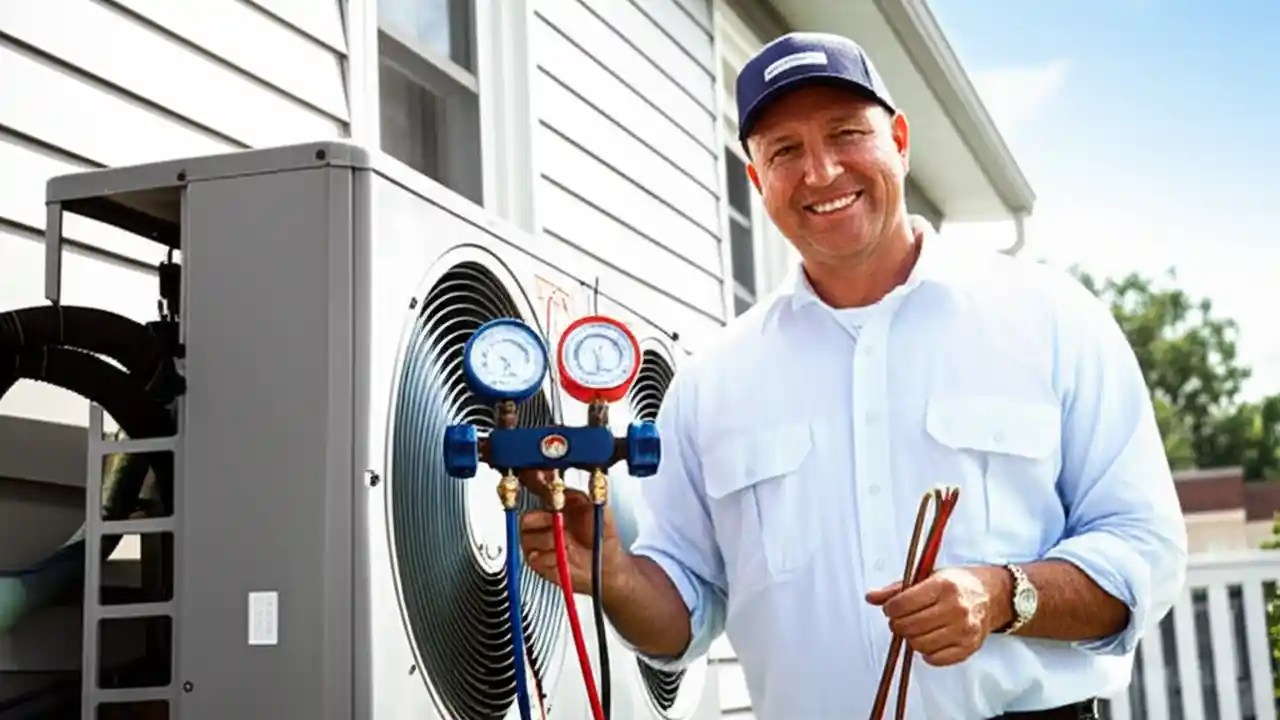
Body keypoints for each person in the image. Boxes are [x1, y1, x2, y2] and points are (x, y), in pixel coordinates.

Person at [518, 31, 1188, 719]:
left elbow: (1144, 551)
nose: (821, 172)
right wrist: (615, 575)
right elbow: (684, 619)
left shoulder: (1050, 318)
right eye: (784, 151)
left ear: (899, 139)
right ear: (755, 178)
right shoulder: (712, 380)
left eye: (845, 134)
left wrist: (1002, 595)